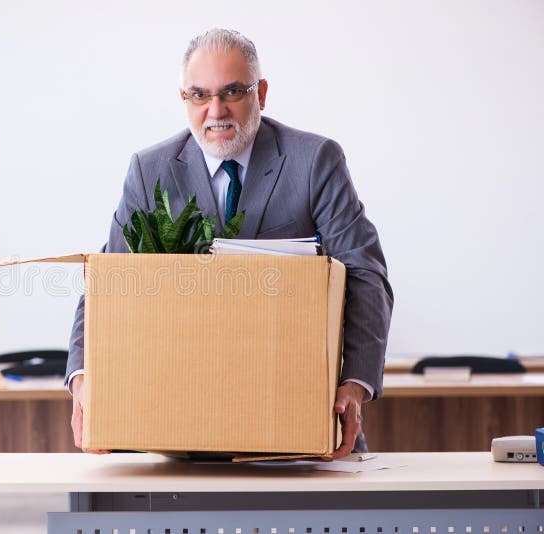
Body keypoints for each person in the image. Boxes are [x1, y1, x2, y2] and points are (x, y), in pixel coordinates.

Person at [65, 28, 393, 459]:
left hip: (300, 423)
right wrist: (85, 376)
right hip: (180, 429)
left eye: (232, 92)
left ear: (261, 92)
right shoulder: (149, 170)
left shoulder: (315, 161)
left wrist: (354, 386)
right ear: (184, 97)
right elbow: (110, 283)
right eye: (198, 95)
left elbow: (365, 274)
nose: (215, 110)